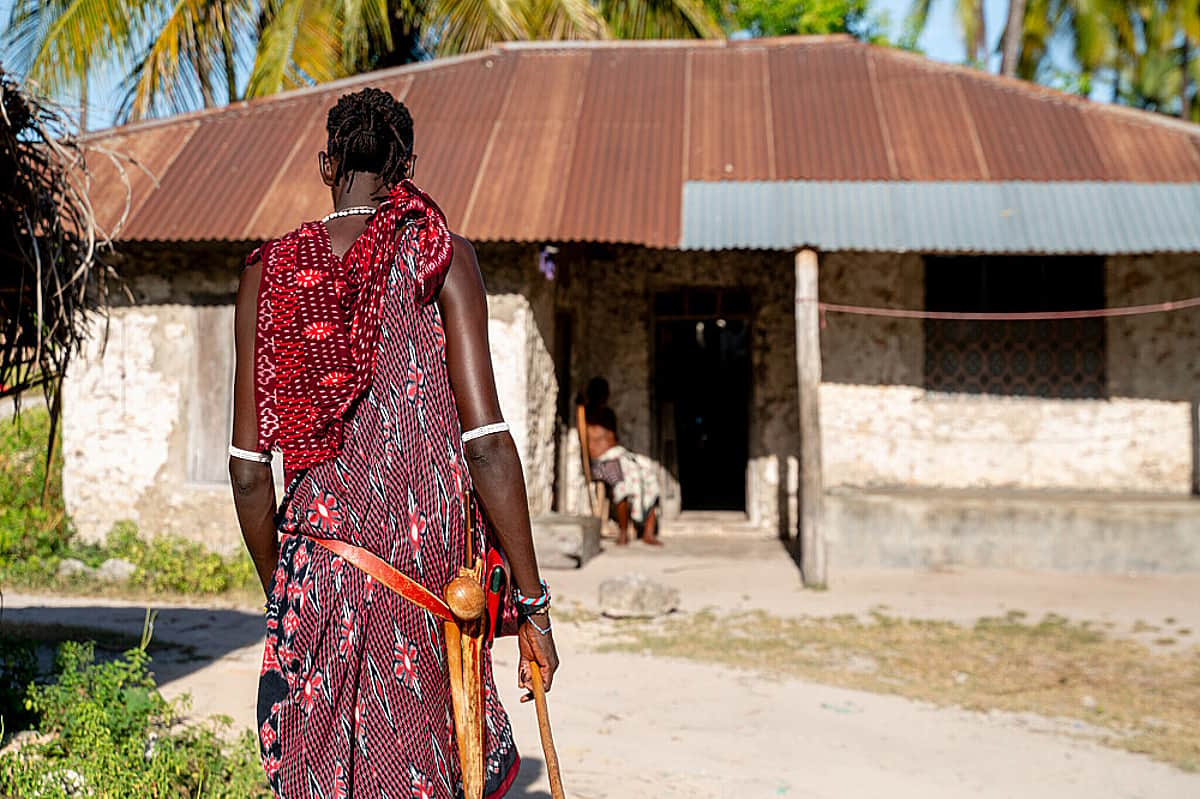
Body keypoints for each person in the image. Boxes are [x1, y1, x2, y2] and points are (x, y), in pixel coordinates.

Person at [228, 87, 558, 799]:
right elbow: (488, 443)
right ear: (405, 166)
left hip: (316, 574)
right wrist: (533, 605)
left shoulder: (266, 271)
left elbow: (251, 472)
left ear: (326, 164)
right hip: (426, 591)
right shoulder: (442, 255)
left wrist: (286, 590)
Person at [587, 405, 663, 546]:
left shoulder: (608, 415)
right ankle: (623, 532)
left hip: (618, 455)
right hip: (602, 462)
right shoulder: (587, 417)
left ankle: (648, 532)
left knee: (648, 475)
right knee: (621, 484)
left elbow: (614, 438)